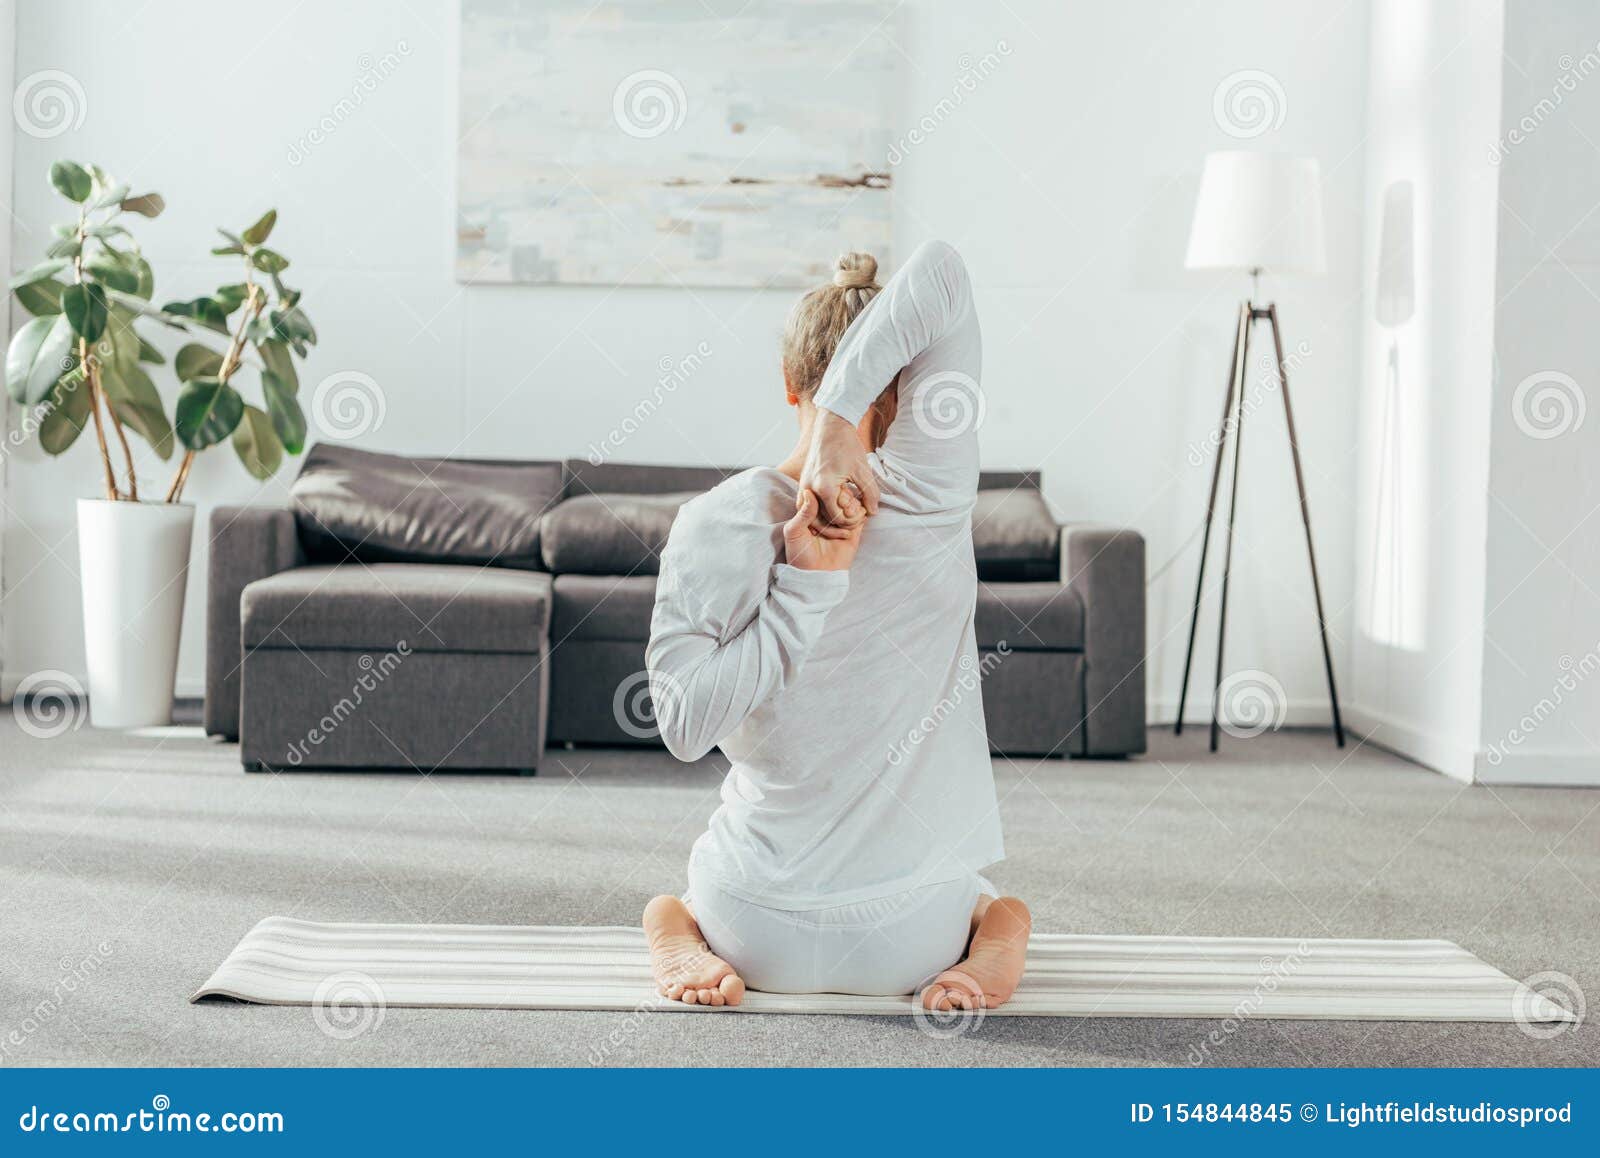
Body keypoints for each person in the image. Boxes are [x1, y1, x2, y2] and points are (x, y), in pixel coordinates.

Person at [641, 241, 1030, 1013]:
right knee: (1001, 907)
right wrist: (845, 426)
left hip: (747, 922)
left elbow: (682, 729)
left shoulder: (709, 521)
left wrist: (798, 599)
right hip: (912, 937)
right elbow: (945, 272)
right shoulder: (927, 493)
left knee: (672, 900)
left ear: (788, 385)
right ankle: (997, 943)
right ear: (910, 387)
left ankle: (671, 924)